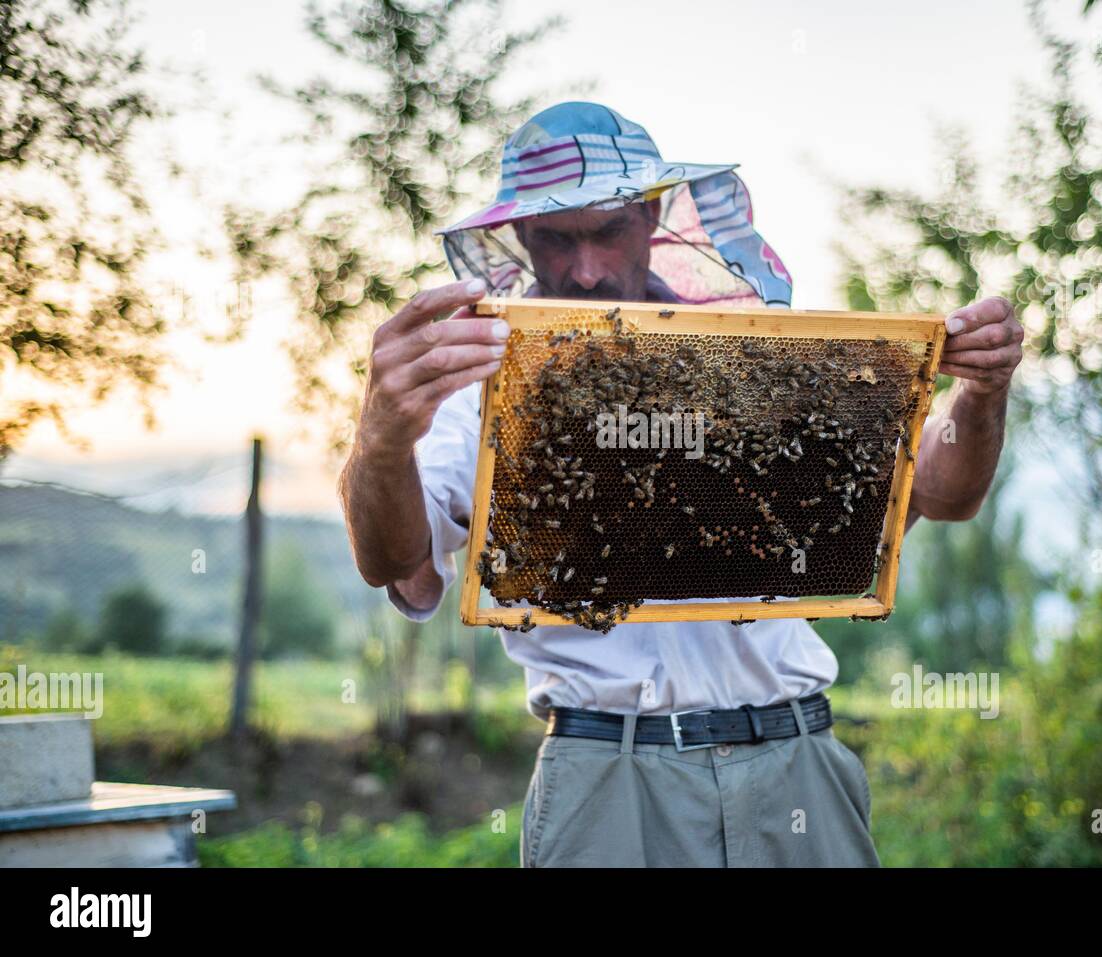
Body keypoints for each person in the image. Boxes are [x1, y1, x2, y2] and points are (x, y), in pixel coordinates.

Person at [339, 102, 1023, 867]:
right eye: (559, 239)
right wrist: (381, 436)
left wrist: (982, 394)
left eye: (608, 231)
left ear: (654, 214)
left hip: (797, 764)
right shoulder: (480, 391)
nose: (586, 268)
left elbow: (943, 494)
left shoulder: (766, 362)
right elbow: (393, 558)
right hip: (609, 777)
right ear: (522, 238)